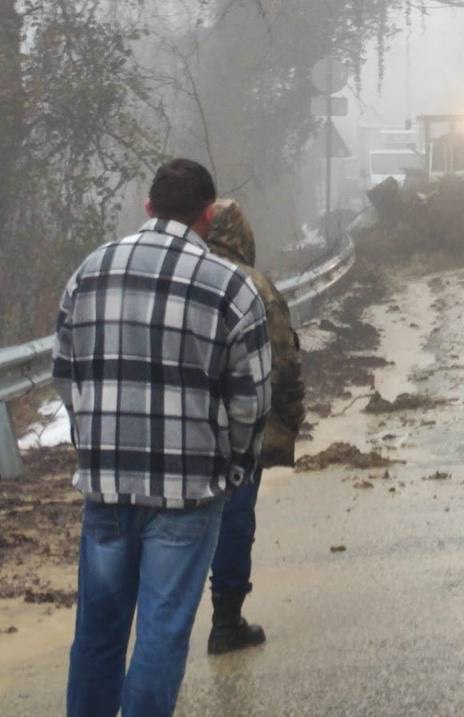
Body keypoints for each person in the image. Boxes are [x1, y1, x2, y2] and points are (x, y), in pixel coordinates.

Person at [53, 159, 272, 717]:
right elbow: (251, 400)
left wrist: (94, 442)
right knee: (161, 635)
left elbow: (65, 373)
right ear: (207, 215)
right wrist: (235, 468)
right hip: (187, 493)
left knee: (98, 636)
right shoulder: (232, 289)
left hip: (106, 490)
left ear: (147, 208)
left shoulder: (90, 271)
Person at [203, 199, 306, 655]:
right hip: (244, 425)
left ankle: (167, 620)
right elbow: (282, 358)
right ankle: (226, 620)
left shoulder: (187, 275)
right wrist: (290, 415)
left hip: (186, 427)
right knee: (234, 519)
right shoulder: (255, 286)